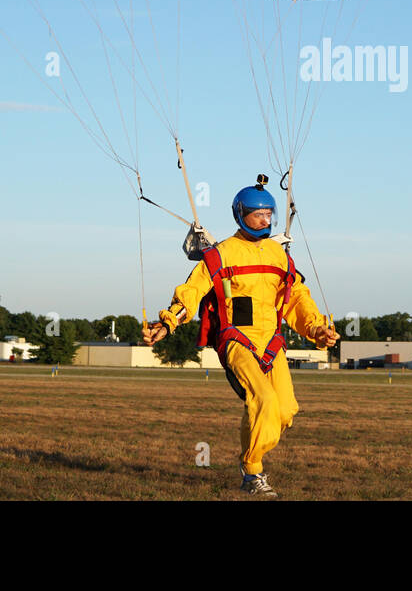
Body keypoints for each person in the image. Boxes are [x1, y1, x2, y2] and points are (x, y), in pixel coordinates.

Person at [143, 181, 339, 497]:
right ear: (241, 215)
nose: (265, 221)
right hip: (237, 341)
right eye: (258, 215)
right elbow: (192, 292)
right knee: (263, 401)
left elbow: (295, 297)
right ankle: (252, 472)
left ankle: (253, 452)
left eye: (269, 215)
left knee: (285, 411)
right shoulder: (221, 253)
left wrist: (316, 328)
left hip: (271, 343)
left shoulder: (278, 255)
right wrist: (167, 324)